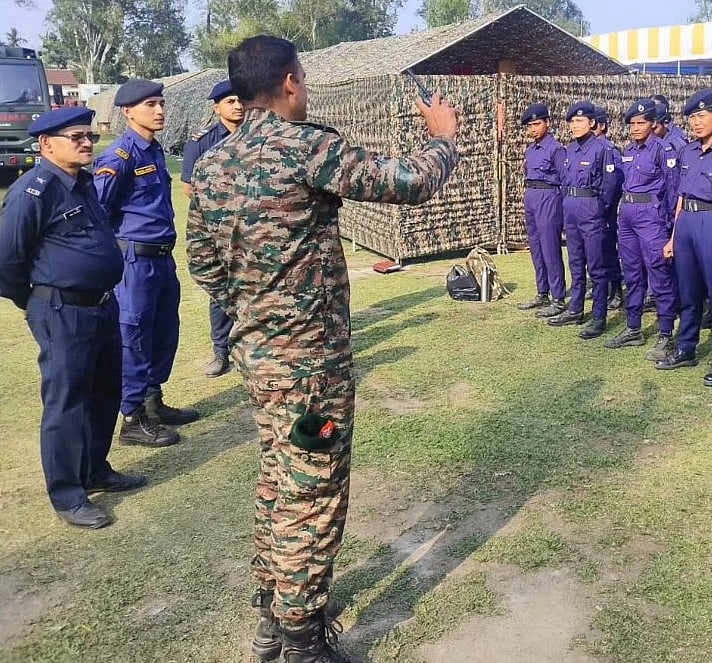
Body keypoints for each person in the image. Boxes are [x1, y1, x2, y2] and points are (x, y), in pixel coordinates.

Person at [187, 35, 459, 661]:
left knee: (280, 476)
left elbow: (203, 263)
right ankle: (301, 636)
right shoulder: (308, 147)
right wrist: (443, 135)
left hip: (260, 358)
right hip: (311, 369)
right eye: (303, 79)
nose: (306, 90)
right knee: (313, 489)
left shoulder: (212, 164)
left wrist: (255, 310)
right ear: (287, 83)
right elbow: (409, 183)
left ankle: (272, 607)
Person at [0, 108, 146, 529]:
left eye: (88, 135)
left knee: (104, 391)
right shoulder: (34, 191)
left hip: (101, 305)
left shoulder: (83, 183)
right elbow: (8, 260)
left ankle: (95, 469)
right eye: (76, 137)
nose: (86, 142)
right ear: (46, 145)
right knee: (66, 401)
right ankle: (67, 493)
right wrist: (34, 304)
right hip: (61, 309)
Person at [93, 79, 193, 448]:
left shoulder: (154, 149)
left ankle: (153, 401)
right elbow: (98, 212)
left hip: (161, 260)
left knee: (164, 330)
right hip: (134, 261)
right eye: (150, 104)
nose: (160, 110)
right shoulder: (119, 156)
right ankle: (131, 418)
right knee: (133, 335)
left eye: (161, 103)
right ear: (128, 112)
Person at [656, 89, 712, 386]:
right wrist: (672, 237)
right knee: (689, 293)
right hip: (686, 224)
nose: (696, 123)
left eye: (701, 116)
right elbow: (681, 196)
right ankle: (686, 348)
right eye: (692, 117)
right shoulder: (687, 151)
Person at [604, 99, 680, 360]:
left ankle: (666, 333)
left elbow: (672, 190)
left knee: (659, 272)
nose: (636, 128)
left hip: (652, 217)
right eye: (632, 124)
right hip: (627, 216)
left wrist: (671, 228)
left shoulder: (663, 150)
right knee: (632, 273)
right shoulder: (628, 151)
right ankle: (633, 328)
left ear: (653, 124)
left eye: (641, 123)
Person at [181, 79, 244, 378]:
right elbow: (187, 187)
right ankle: (221, 352)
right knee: (221, 291)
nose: (238, 106)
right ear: (217, 107)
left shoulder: (256, 135)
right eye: (230, 102)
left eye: (240, 100)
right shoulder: (202, 141)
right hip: (218, 228)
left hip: (253, 228)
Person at [547, 101, 613, 339]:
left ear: (592, 123)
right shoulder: (569, 150)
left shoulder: (601, 149)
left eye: (579, 121)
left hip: (590, 208)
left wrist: (598, 210)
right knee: (575, 262)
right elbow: (564, 181)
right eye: (572, 121)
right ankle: (575, 309)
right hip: (571, 208)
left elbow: (610, 187)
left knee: (596, 266)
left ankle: (598, 317)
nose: (574, 126)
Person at [516, 103, 568, 319]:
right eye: (530, 126)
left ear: (547, 122)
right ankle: (542, 292)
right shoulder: (531, 149)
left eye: (537, 124)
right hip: (532, 196)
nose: (533, 129)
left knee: (550, 247)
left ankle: (558, 298)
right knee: (536, 247)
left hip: (549, 196)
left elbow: (564, 179)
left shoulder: (556, 149)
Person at [593, 105, 625, 311]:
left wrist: (603, 208)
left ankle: (616, 290)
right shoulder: (584, 149)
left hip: (604, 210)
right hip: (590, 210)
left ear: (601, 126)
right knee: (594, 252)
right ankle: (600, 287)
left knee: (607, 250)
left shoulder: (608, 150)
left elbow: (613, 184)